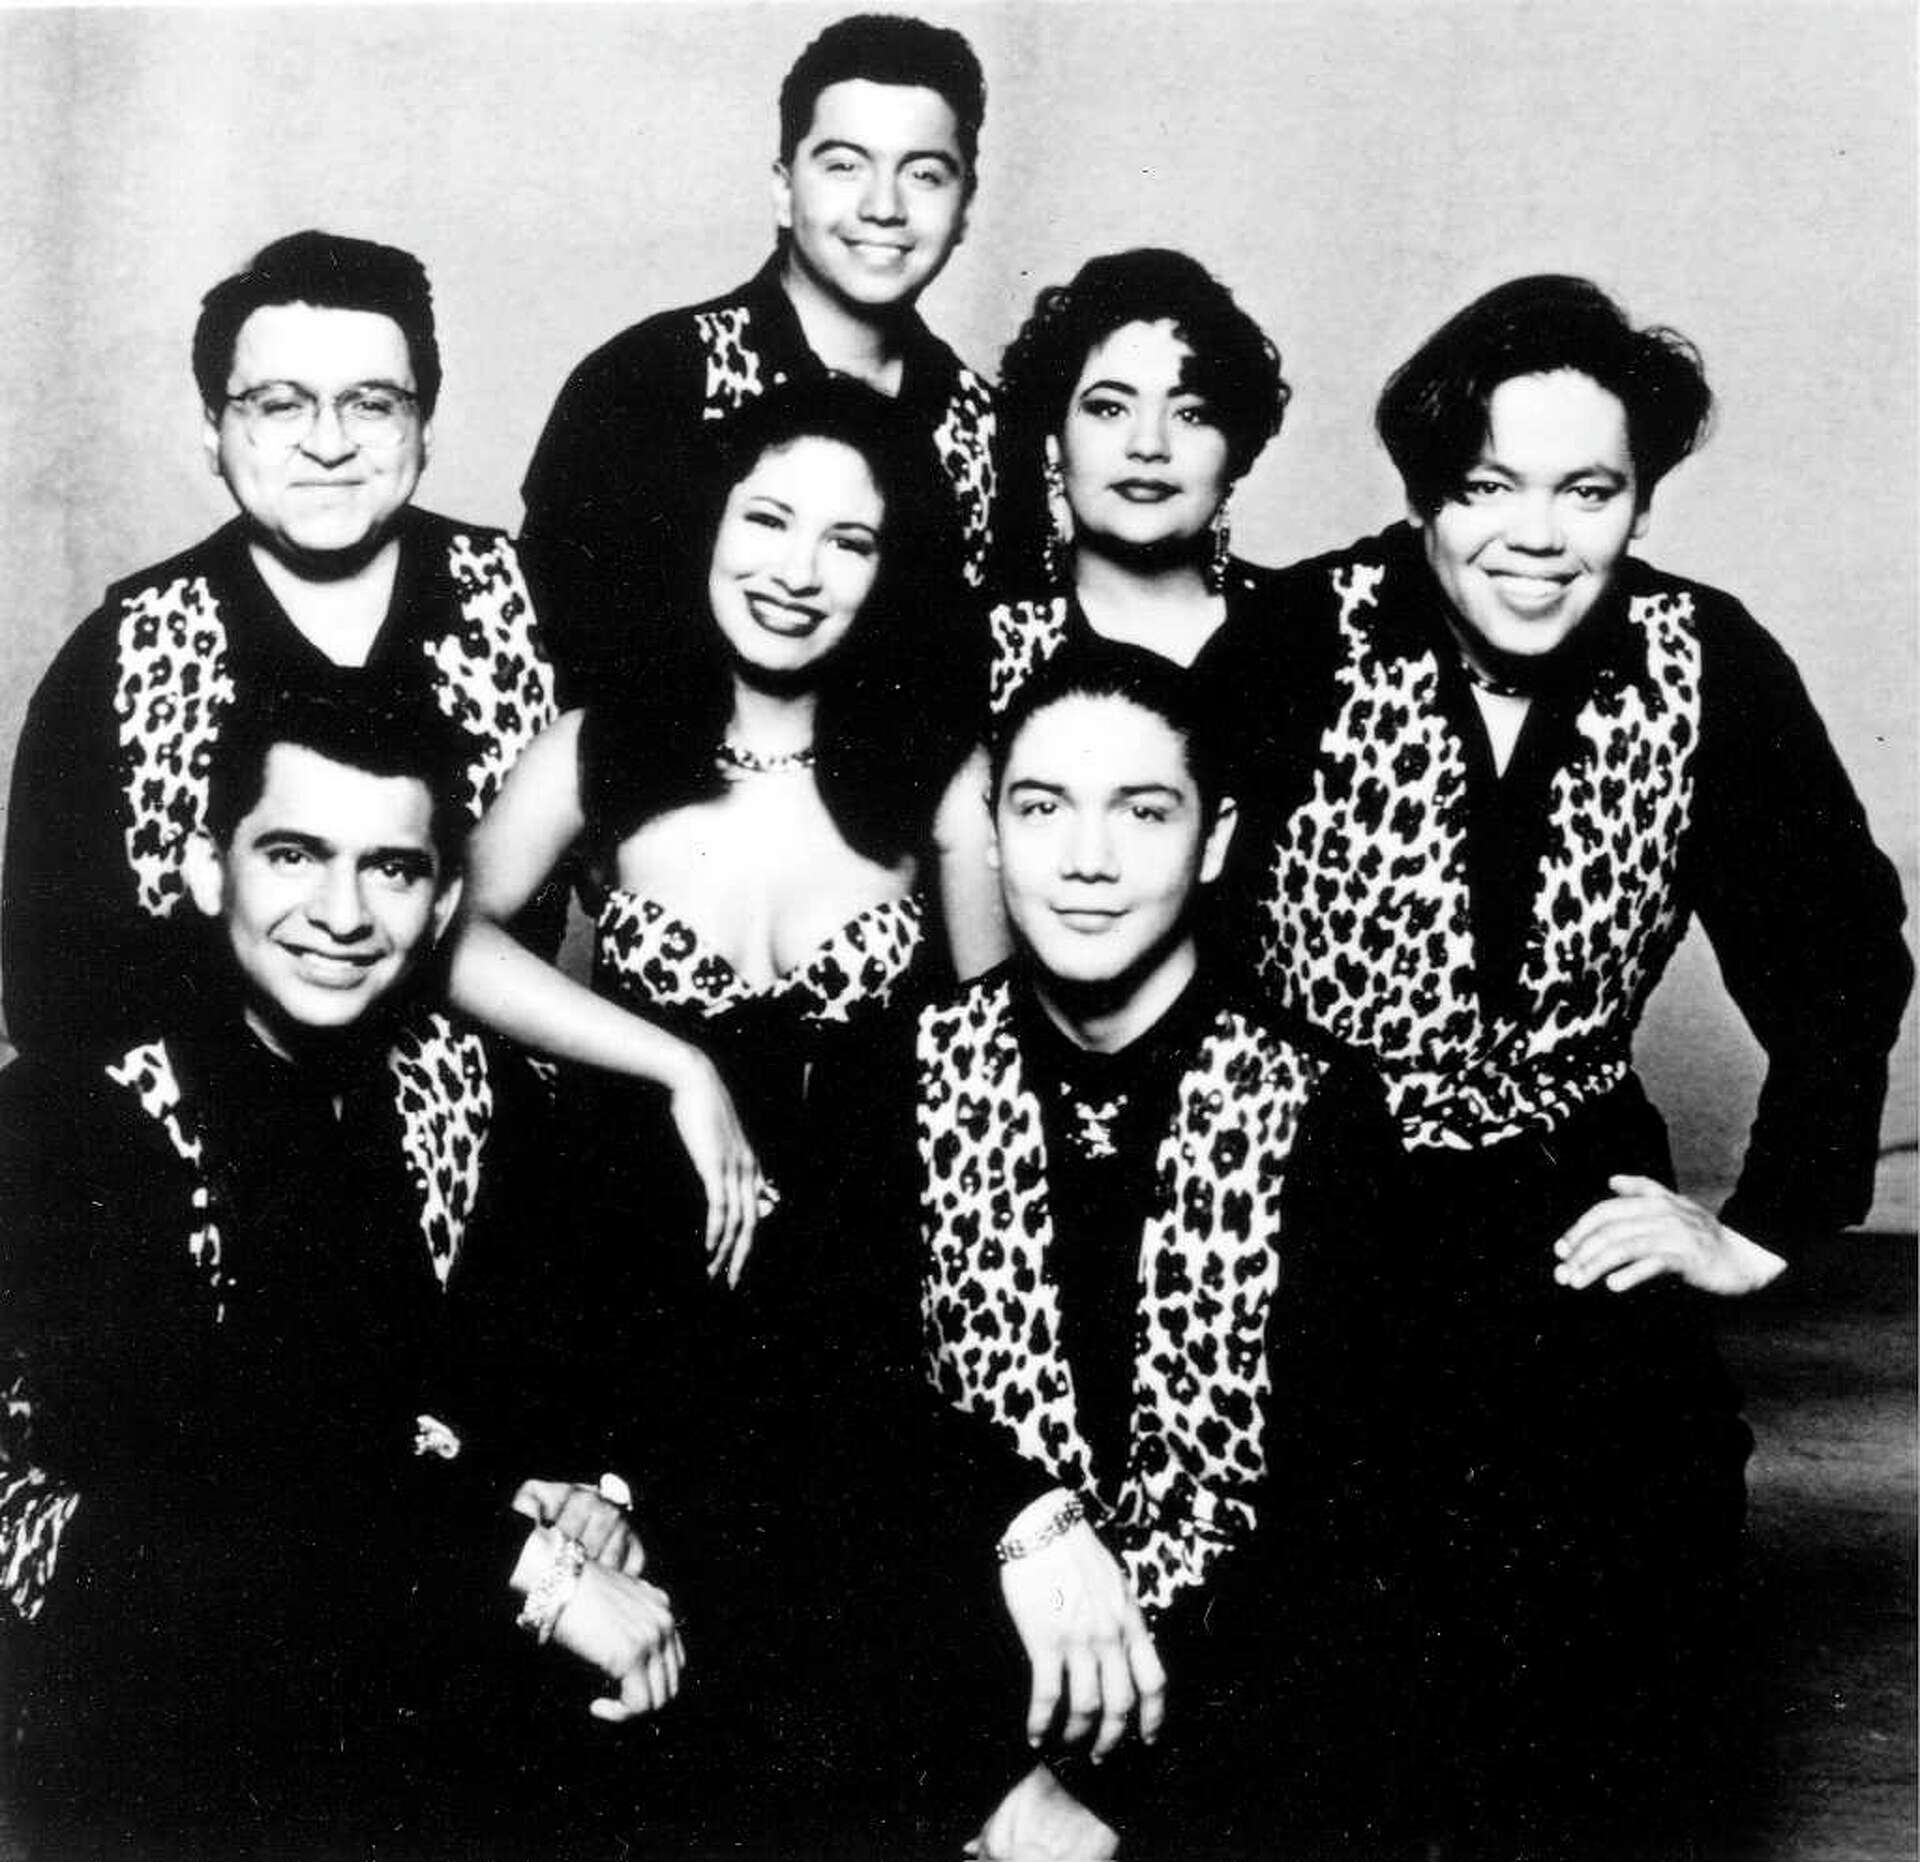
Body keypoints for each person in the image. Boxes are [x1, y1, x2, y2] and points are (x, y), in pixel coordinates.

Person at [1243, 275, 1914, 1858]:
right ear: (1426, 491)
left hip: (1564, 1206)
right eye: (1490, 487)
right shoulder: (1298, 635)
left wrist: (1766, 1219)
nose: (1537, 537)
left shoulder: (1702, 657)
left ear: (1639, 503)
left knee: (1635, 1603)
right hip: (1299, 1206)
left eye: (1589, 491)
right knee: (1337, 1665)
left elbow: (1841, 946)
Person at [0, 687, 681, 1860]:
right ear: (207, 870)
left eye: (392, 869)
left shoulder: (465, 1085)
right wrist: (535, 1566)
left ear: (445, 902)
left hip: (391, 1628)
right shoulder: (78, 1108)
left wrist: (588, 1495)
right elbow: (197, 1469)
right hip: (142, 1666)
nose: (341, 912)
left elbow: (559, 1373)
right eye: (293, 854)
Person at [450, 379, 979, 1839]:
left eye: (849, 541)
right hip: (620, 1294)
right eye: (767, 519)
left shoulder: (938, 770)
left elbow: (994, 1058)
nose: (796, 570)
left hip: (848, 1317)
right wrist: (674, 1064)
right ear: (706, 524)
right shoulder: (606, 739)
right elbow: (446, 934)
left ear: (892, 571)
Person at [801, 643, 1410, 1861]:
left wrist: (1121, 1805)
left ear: (1215, 838)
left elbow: (1351, 1514)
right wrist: (1023, 1516)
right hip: (956, 1672)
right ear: (993, 830)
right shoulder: (888, 1070)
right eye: (1042, 807)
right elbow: (825, 1403)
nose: (1088, 857)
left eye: (1142, 810)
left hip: (1227, 1705)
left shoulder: (1321, 1102)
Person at [3, 230, 557, 1083]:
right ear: (212, 430)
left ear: (425, 427)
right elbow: (55, 1007)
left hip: (503, 1135)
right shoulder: (121, 654)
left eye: (372, 404)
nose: (328, 443)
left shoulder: (532, 606)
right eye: (279, 405)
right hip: (208, 1140)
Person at [520, 11, 996, 699]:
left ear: (966, 206)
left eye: (924, 174)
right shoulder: (651, 379)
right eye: (844, 166)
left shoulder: (991, 427)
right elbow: (568, 657)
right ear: (783, 187)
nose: (883, 206)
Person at [950, 249, 1291, 975]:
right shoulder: (980, 650)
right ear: (1054, 437)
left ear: (1234, 451)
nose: (1148, 445)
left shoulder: (1310, 628)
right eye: (1108, 407)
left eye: (1191, 413)